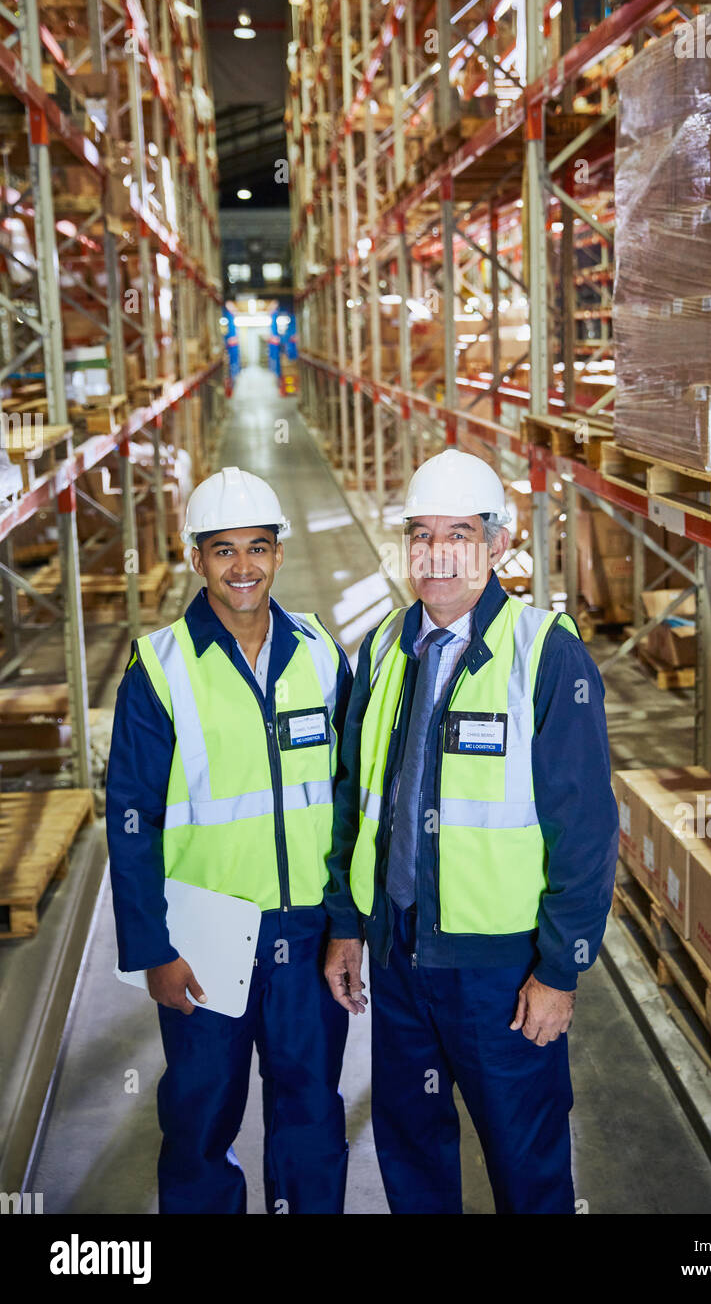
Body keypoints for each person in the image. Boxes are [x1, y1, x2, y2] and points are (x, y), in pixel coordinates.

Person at [324, 448, 619, 1215]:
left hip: (501, 975)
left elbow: (585, 830)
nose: (436, 554)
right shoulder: (385, 645)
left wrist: (560, 970)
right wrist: (349, 927)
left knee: (526, 1162)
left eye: (459, 533)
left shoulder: (545, 655)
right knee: (412, 1149)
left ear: (496, 544)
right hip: (397, 959)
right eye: (421, 534)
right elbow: (355, 800)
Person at [106, 466, 353, 1214]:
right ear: (195, 558)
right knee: (199, 1118)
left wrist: (347, 924)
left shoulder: (318, 653)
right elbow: (131, 821)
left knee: (311, 1111)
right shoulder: (161, 668)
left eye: (256, 548)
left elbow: (348, 797)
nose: (242, 567)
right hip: (206, 938)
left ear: (279, 554)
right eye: (222, 551)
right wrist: (151, 949)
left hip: (306, 932)